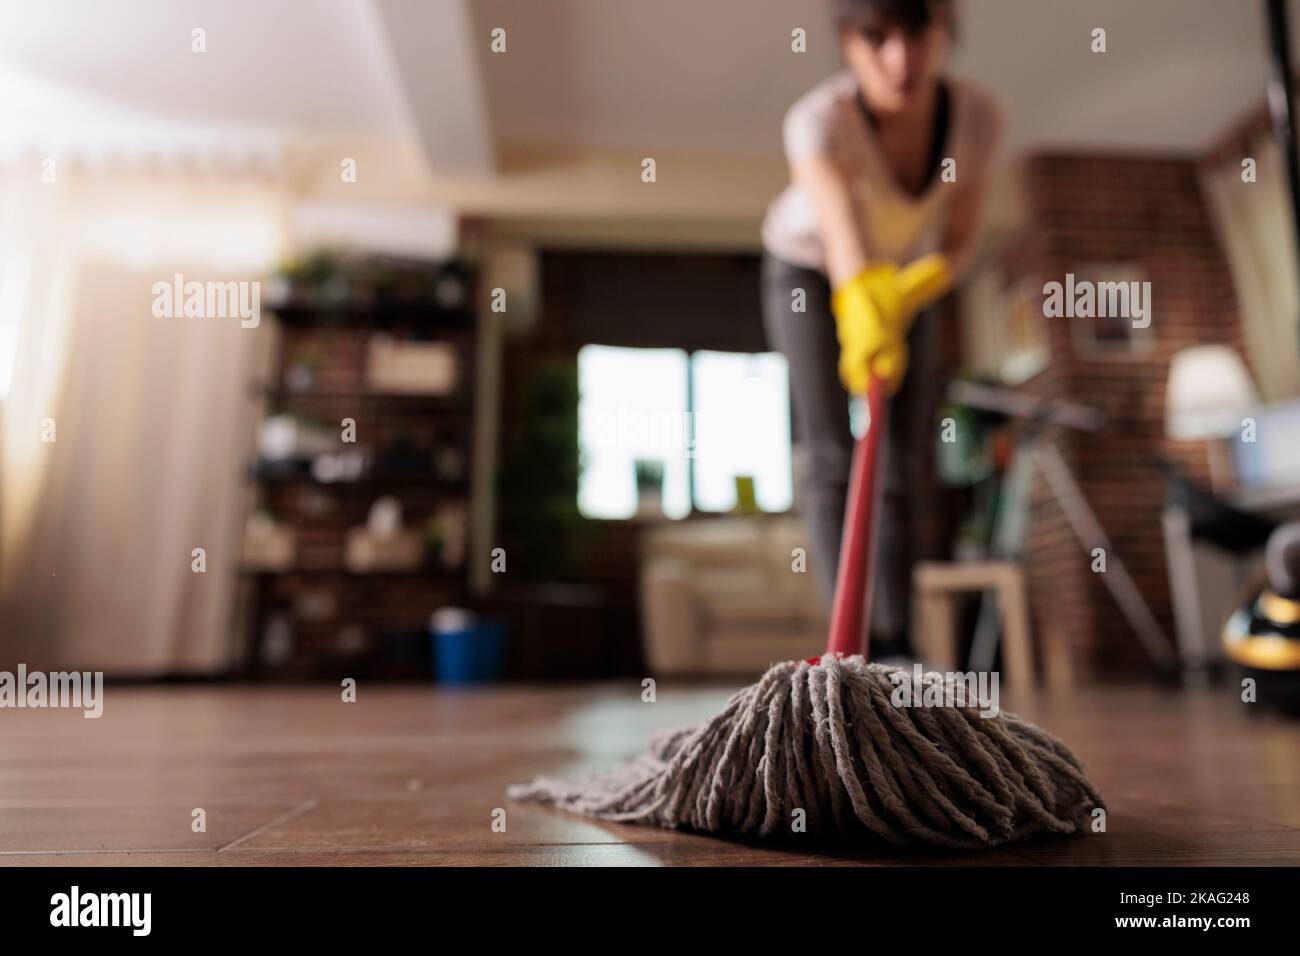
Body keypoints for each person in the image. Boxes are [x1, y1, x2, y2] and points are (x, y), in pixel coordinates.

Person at [761, 0, 1003, 656]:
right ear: (848, 42)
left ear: (943, 27)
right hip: (811, 271)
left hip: (907, 277)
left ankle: (896, 642)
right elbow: (840, 237)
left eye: (917, 30)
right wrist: (865, 304)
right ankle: (848, 650)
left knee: (902, 455)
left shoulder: (977, 117)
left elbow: (957, 242)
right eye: (877, 37)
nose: (901, 58)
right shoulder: (817, 122)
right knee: (830, 452)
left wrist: (913, 288)